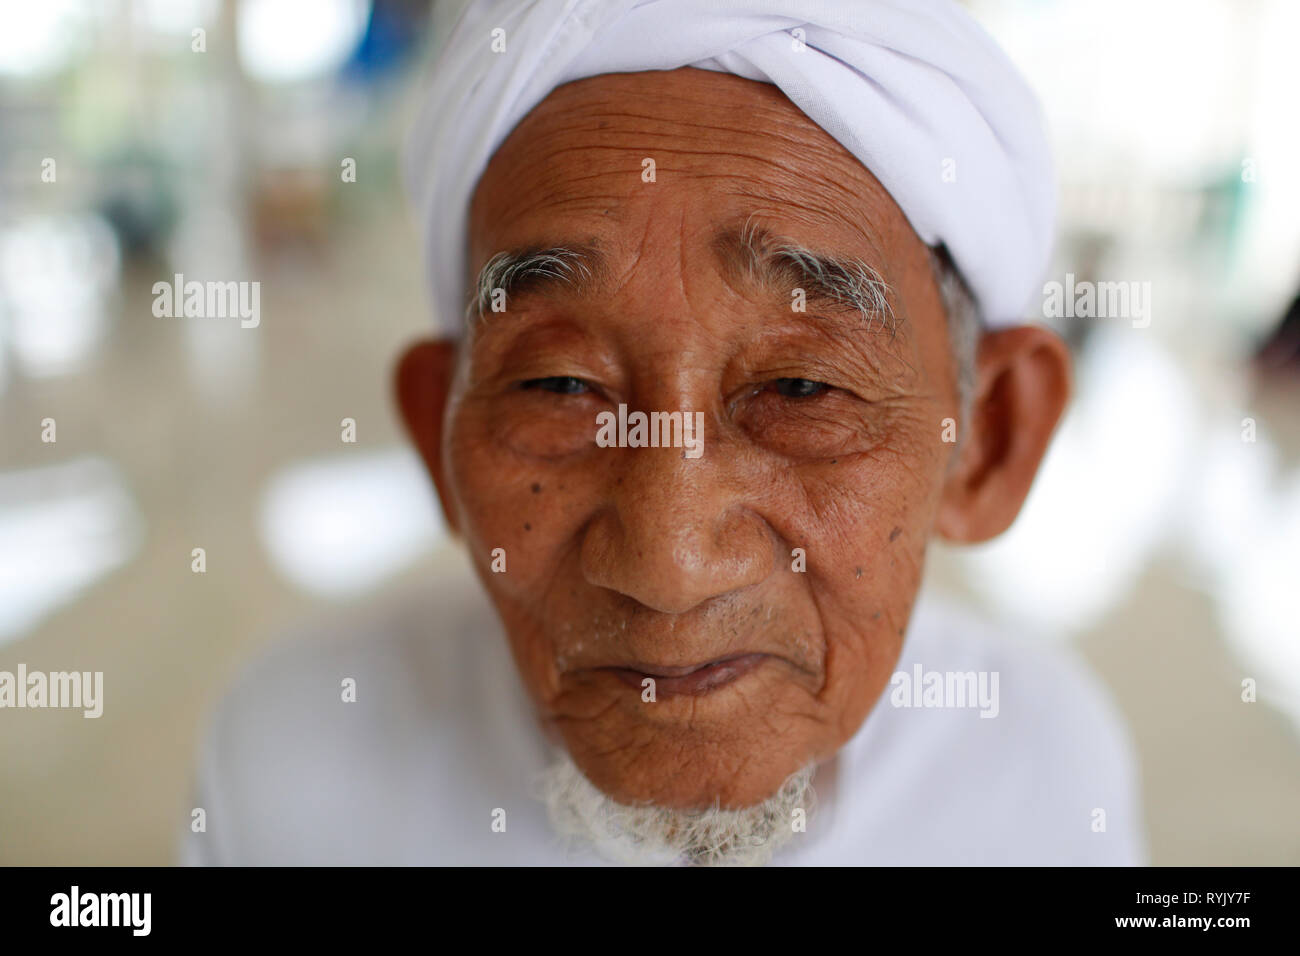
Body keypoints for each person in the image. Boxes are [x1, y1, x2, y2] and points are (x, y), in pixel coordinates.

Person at [182, 0, 1145, 866]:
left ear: (989, 438)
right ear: (440, 430)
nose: (669, 561)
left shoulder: (1043, 766)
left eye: (803, 387)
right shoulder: (287, 765)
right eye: (559, 385)